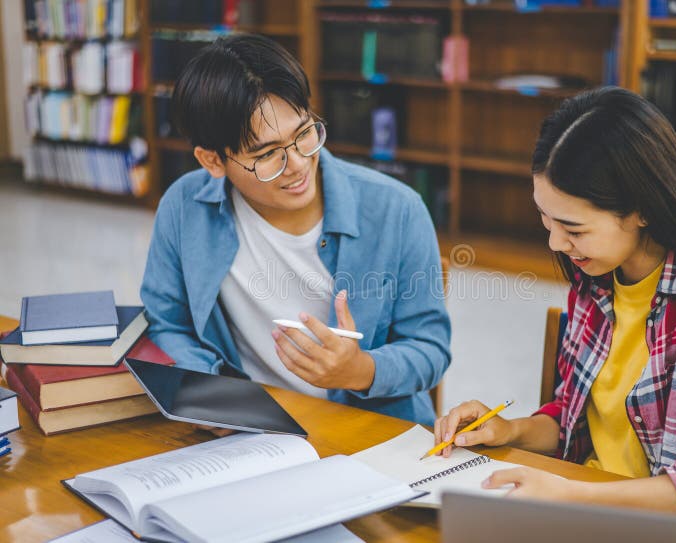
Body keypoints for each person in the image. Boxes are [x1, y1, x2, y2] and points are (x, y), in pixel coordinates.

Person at [435, 87, 676, 522]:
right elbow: (575, 419)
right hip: (585, 509)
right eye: (546, 220)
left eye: (574, 229)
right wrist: (510, 430)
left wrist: (577, 495)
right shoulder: (596, 279)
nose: (555, 244)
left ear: (642, 209)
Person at [140, 34, 450, 427]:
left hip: (371, 432)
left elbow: (430, 350)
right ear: (212, 161)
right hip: (249, 430)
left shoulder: (396, 210)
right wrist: (207, 393)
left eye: (304, 133)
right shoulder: (184, 208)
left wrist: (360, 370)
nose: (299, 164)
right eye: (268, 154)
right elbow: (168, 324)